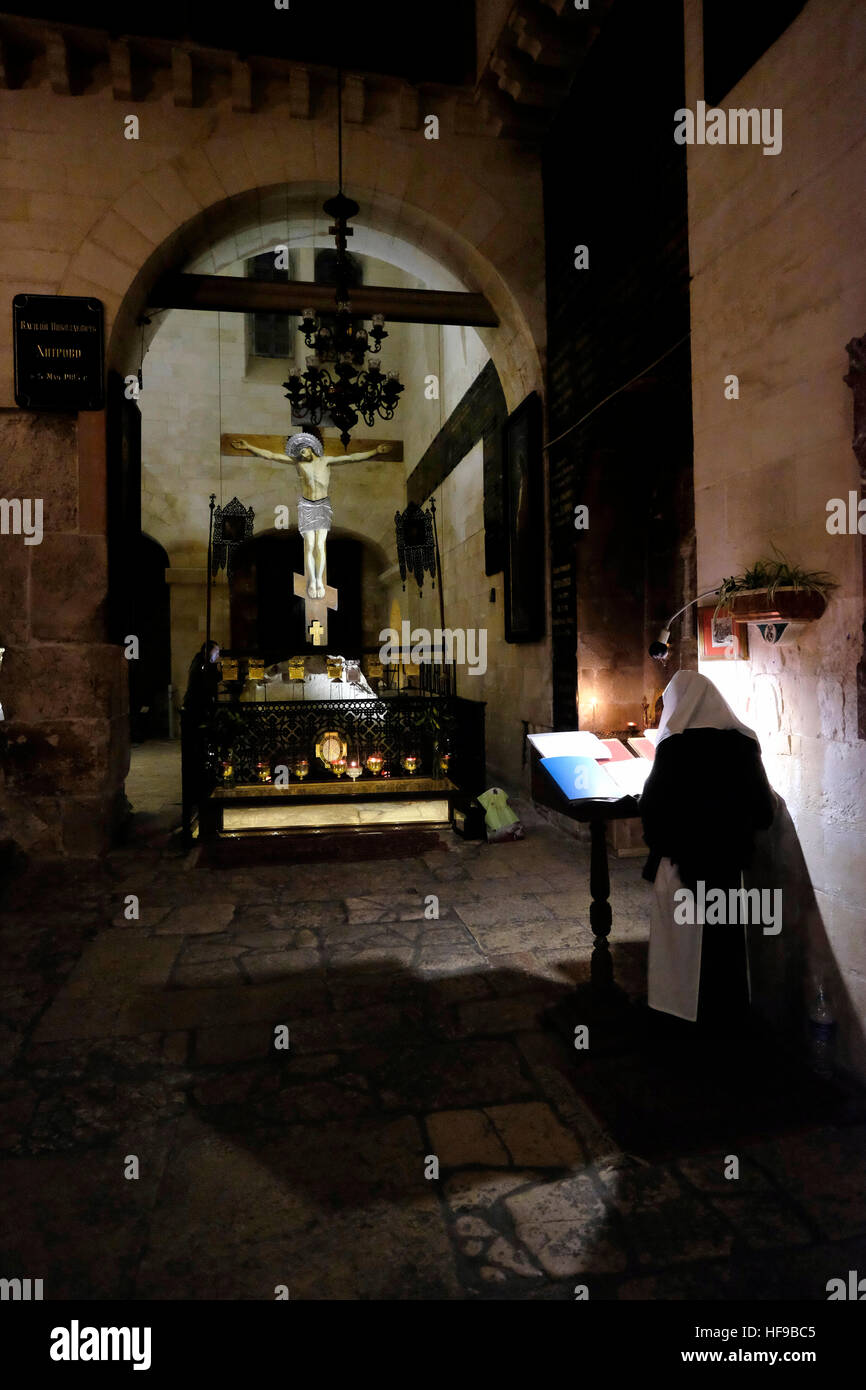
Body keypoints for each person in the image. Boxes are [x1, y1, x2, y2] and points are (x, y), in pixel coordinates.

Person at [639, 670, 776, 1029]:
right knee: (725, 954)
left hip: (683, 870)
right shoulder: (744, 744)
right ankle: (726, 1028)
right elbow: (764, 812)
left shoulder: (674, 748)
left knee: (681, 961)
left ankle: (679, 1029)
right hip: (728, 870)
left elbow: (653, 812)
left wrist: (662, 844)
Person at [231, 428, 390, 600]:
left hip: (322, 505)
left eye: (303, 450)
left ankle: (319, 582)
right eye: (299, 452)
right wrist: (249, 447)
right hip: (307, 505)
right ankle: (311, 581)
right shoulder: (299, 464)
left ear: (311, 448)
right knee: (309, 546)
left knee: (320, 546)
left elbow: (351, 457)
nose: (302, 453)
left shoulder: (326, 461)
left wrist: (375, 451)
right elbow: (271, 455)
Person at [184, 640, 222, 718]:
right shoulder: (200, 663)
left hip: (197, 705)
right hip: (197, 707)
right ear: (208, 651)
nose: (218, 655)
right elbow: (208, 680)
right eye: (216, 652)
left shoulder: (200, 662)